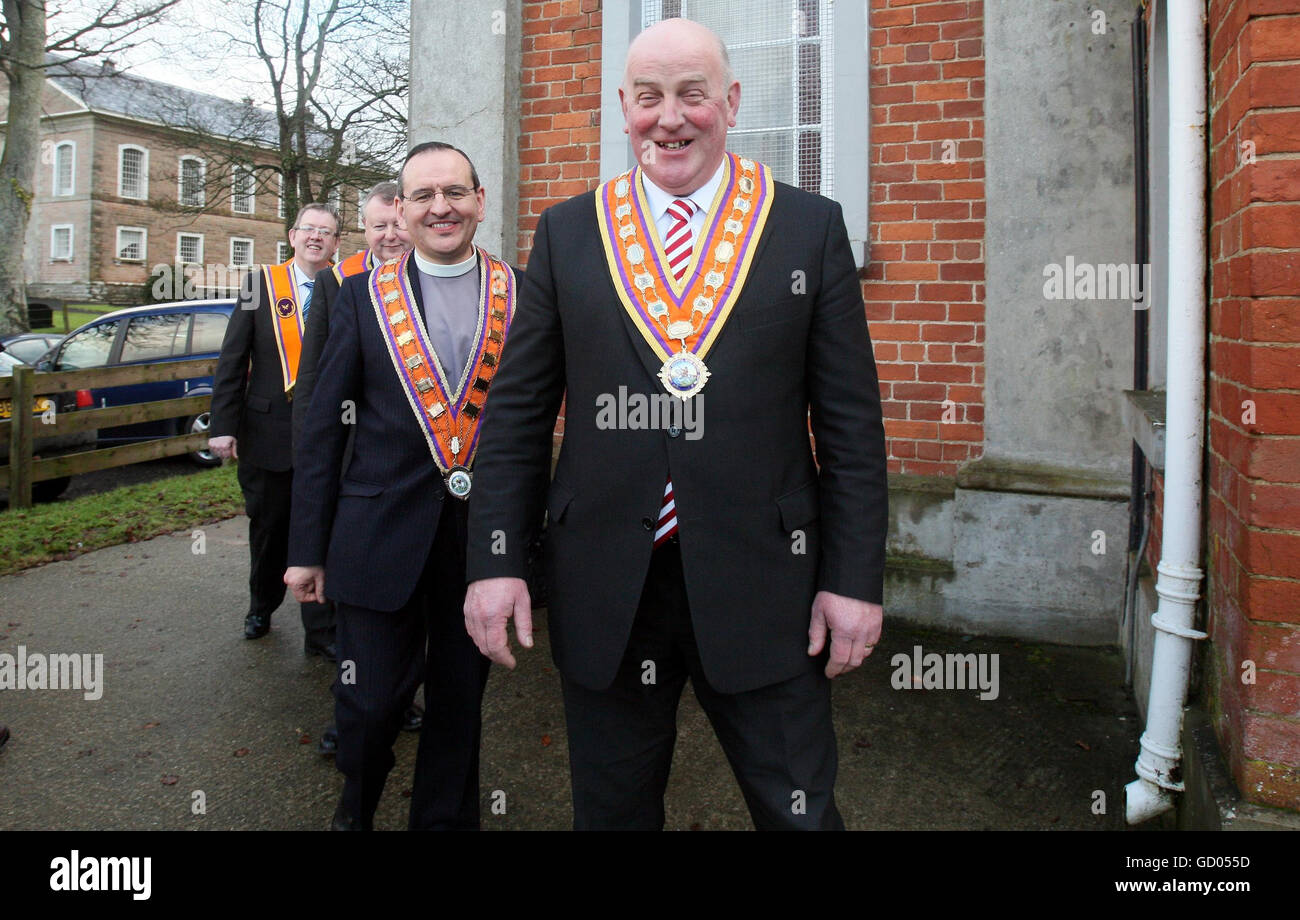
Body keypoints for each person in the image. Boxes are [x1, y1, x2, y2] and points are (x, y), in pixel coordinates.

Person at [463, 17, 888, 830]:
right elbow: (515, 417)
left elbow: (851, 428)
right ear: (622, 107)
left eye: (693, 94)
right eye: (649, 97)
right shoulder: (567, 234)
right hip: (605, 585)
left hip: (769, 584)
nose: (671, 117)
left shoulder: (807, 228)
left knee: (799, 814)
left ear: (729, 101)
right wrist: (496, 560)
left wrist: (853, 580)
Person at [285, 142, 517, 831]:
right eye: (423, 196)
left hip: (478, 544)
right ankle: (354, 810)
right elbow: (323, 429)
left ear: (481, 199)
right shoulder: (359, 296)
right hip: (374, 536)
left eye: (454, 193)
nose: (440, 208)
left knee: (458, 705)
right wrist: (307, 548)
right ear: (403, 209)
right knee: (369, 704)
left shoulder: (524, 291)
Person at [291, 181, 423, 756]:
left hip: (418, 476)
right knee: (357, 612)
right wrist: (314, 475)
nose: (391, 235)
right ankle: (348, 722)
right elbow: (316, 390)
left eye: (399, 223)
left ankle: (401, 700)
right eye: (379, 226)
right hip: (352, 477)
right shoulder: (337, 286)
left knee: (410, 601)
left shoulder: (436, 282)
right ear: (364, 230)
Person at [209, 203, 340, 655]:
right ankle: (261, 605)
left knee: (322, 531)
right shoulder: (258, 285)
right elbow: (232, 360)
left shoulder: (346, 288)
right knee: (269, 529)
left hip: (326, 434)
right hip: (268, 433)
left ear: (336, 243)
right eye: (309, 230)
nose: (316, 238)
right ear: (292, 235)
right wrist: (222, 426)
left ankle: (320, 631)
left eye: (326, 232)